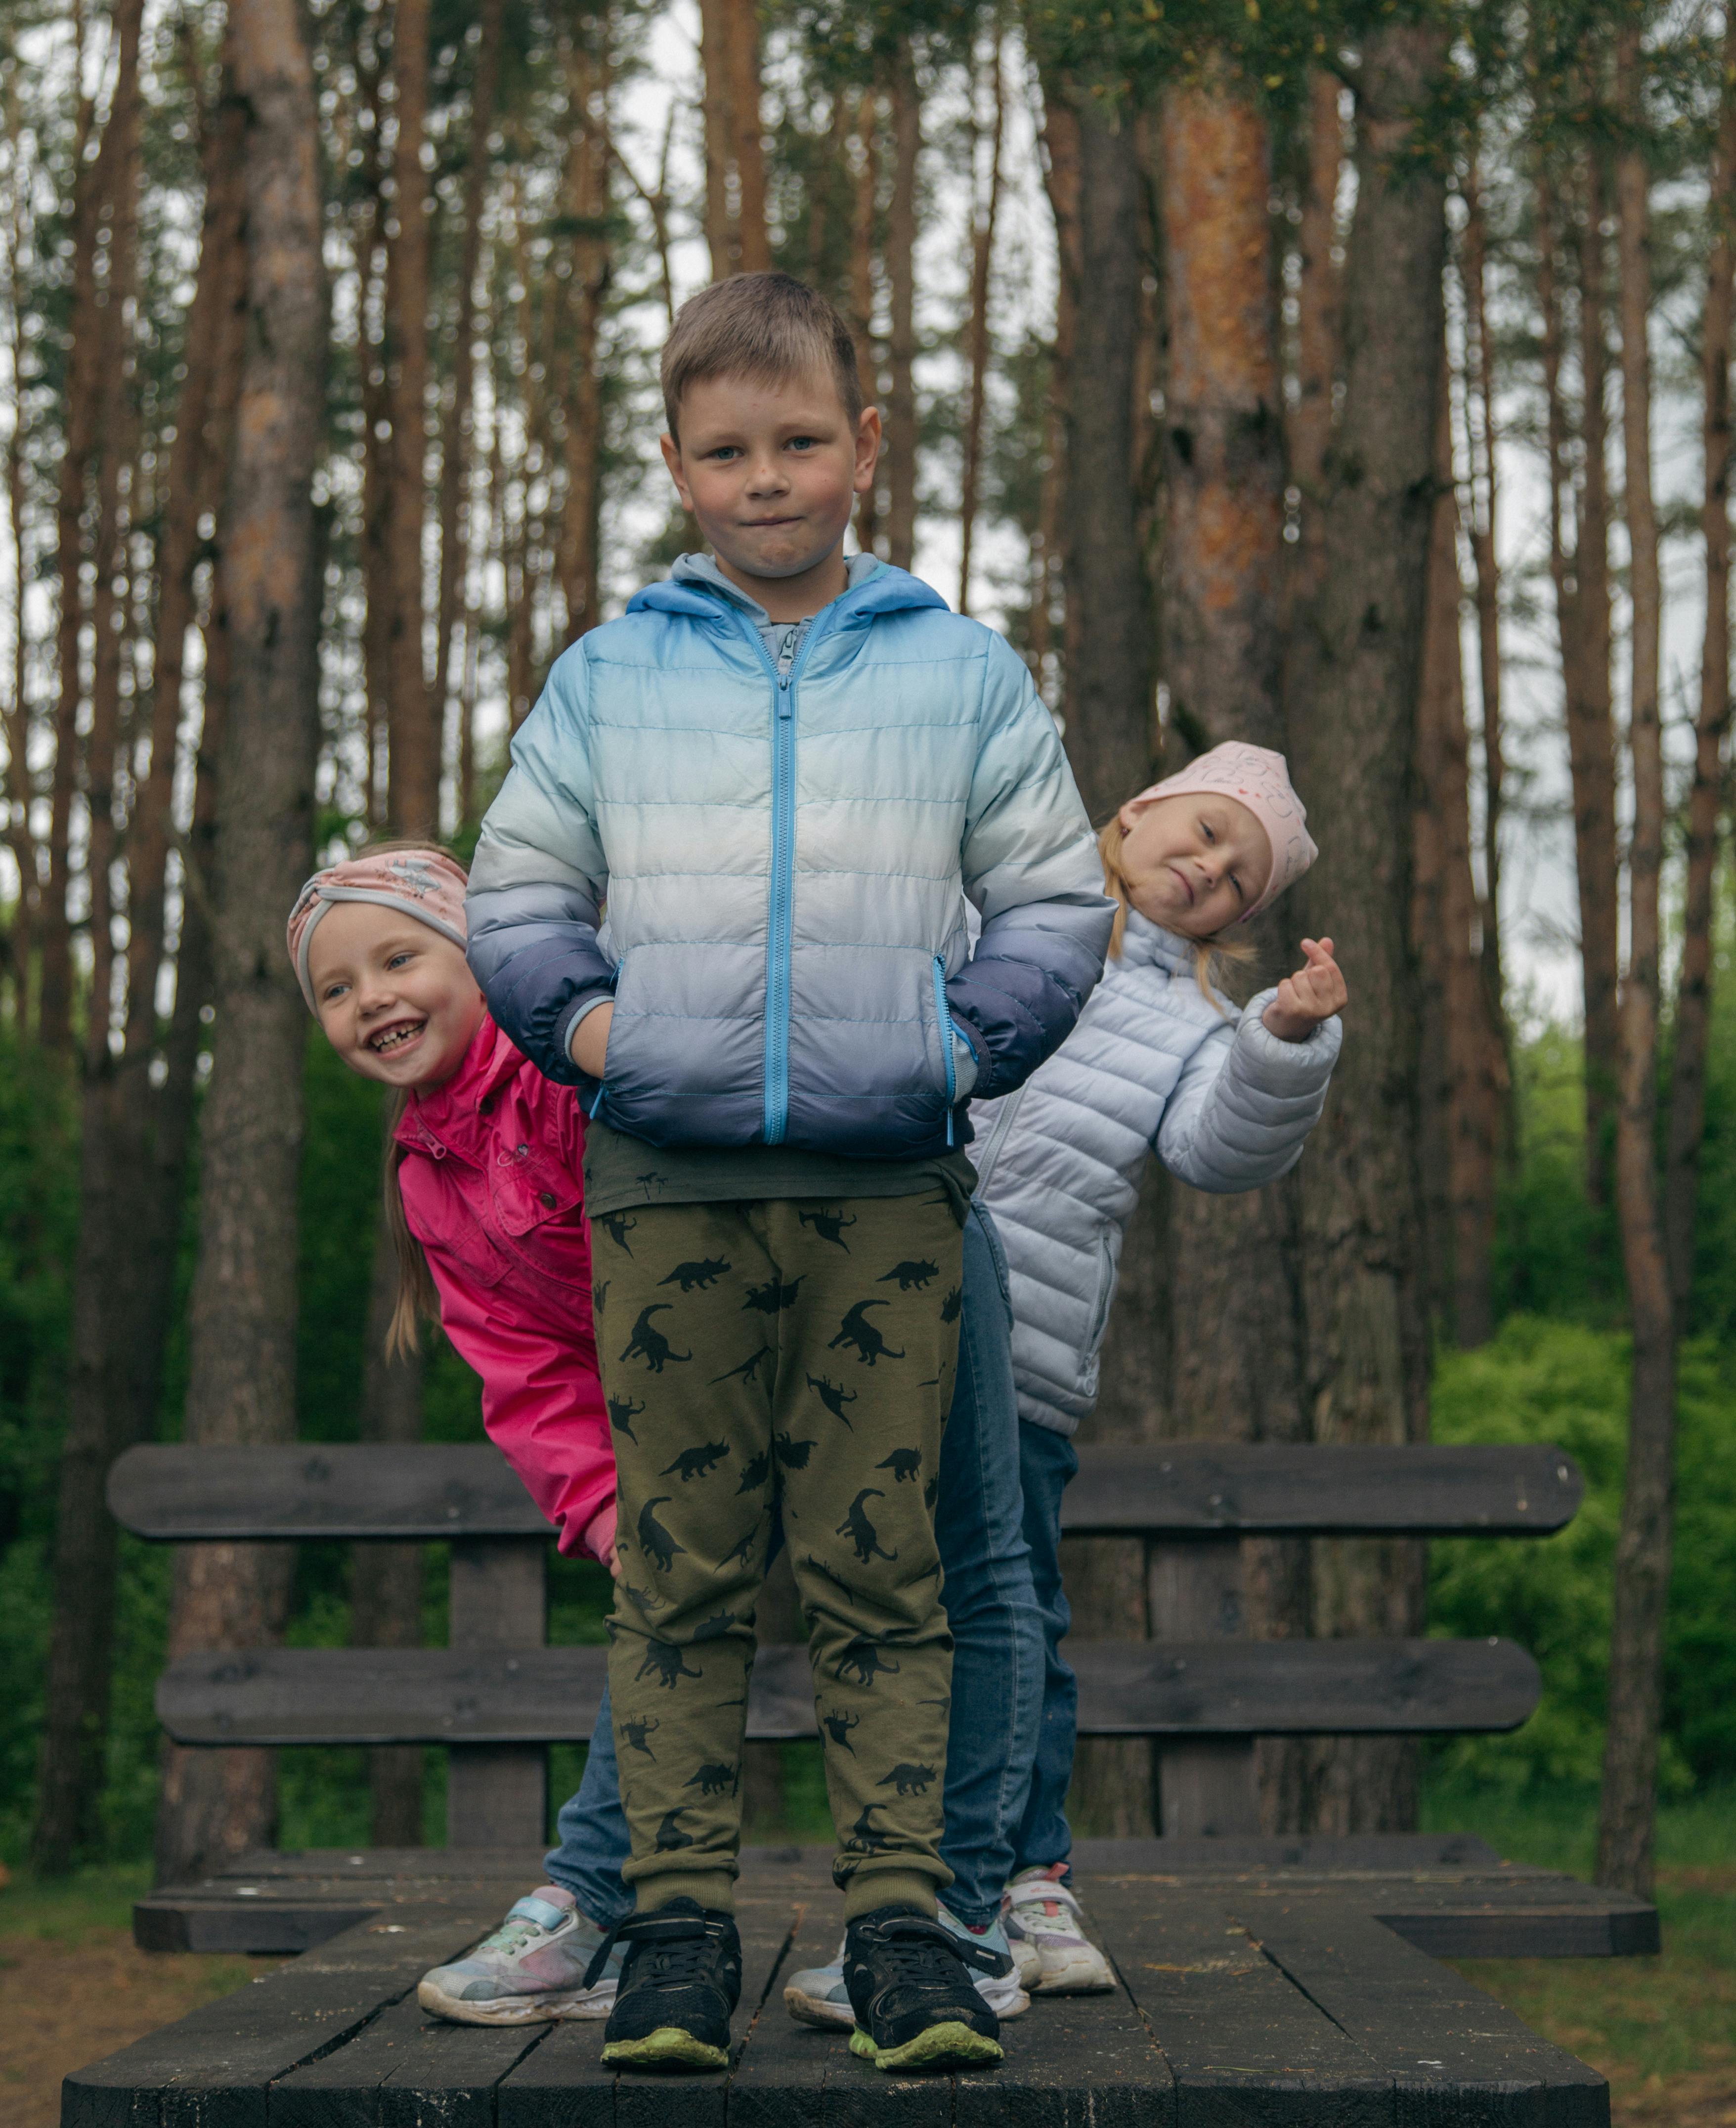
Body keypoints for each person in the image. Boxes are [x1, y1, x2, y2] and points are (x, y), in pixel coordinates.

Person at [465, 270, 1114, 2074]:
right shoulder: (606, 676)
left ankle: (905, 1927)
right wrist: (607, 1042)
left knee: (881, 1565)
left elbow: (1059, 902)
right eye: (731, 449)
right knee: (678, 1569)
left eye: (803, 442)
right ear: (679, 464)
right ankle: (671, 1935)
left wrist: (952, 1051)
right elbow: (517, 897)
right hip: (661, 1185)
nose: (769, 477)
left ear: (864, 449)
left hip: (887, 1190)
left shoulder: (960, 668)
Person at [289, 847, 1046, 2039]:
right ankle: (595, 1903)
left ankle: (955, 1913)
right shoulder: (428, 1173)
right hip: (688, 1389)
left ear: (481, 956)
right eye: (335, 988)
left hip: (871, 1264)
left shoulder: (569, 1065)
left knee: (960, 1565)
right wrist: (598, 1502)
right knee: (666, 1579)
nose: (372, 996)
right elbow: (521, 1366)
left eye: (400, 957)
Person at [968, 740, 1347, 1991]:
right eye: (1196, 832)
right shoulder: (980, 912)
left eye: (1236, 875)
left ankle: (1029, 1882)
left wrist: (1280, 1041)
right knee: (887, 1615)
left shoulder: (1192, 1022)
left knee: (1015, 1608)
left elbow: (1213, 1149)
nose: (1205, 867)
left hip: (1024, 1351)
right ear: (1128, 815)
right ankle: (917, 1884)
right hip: (870, 1314)